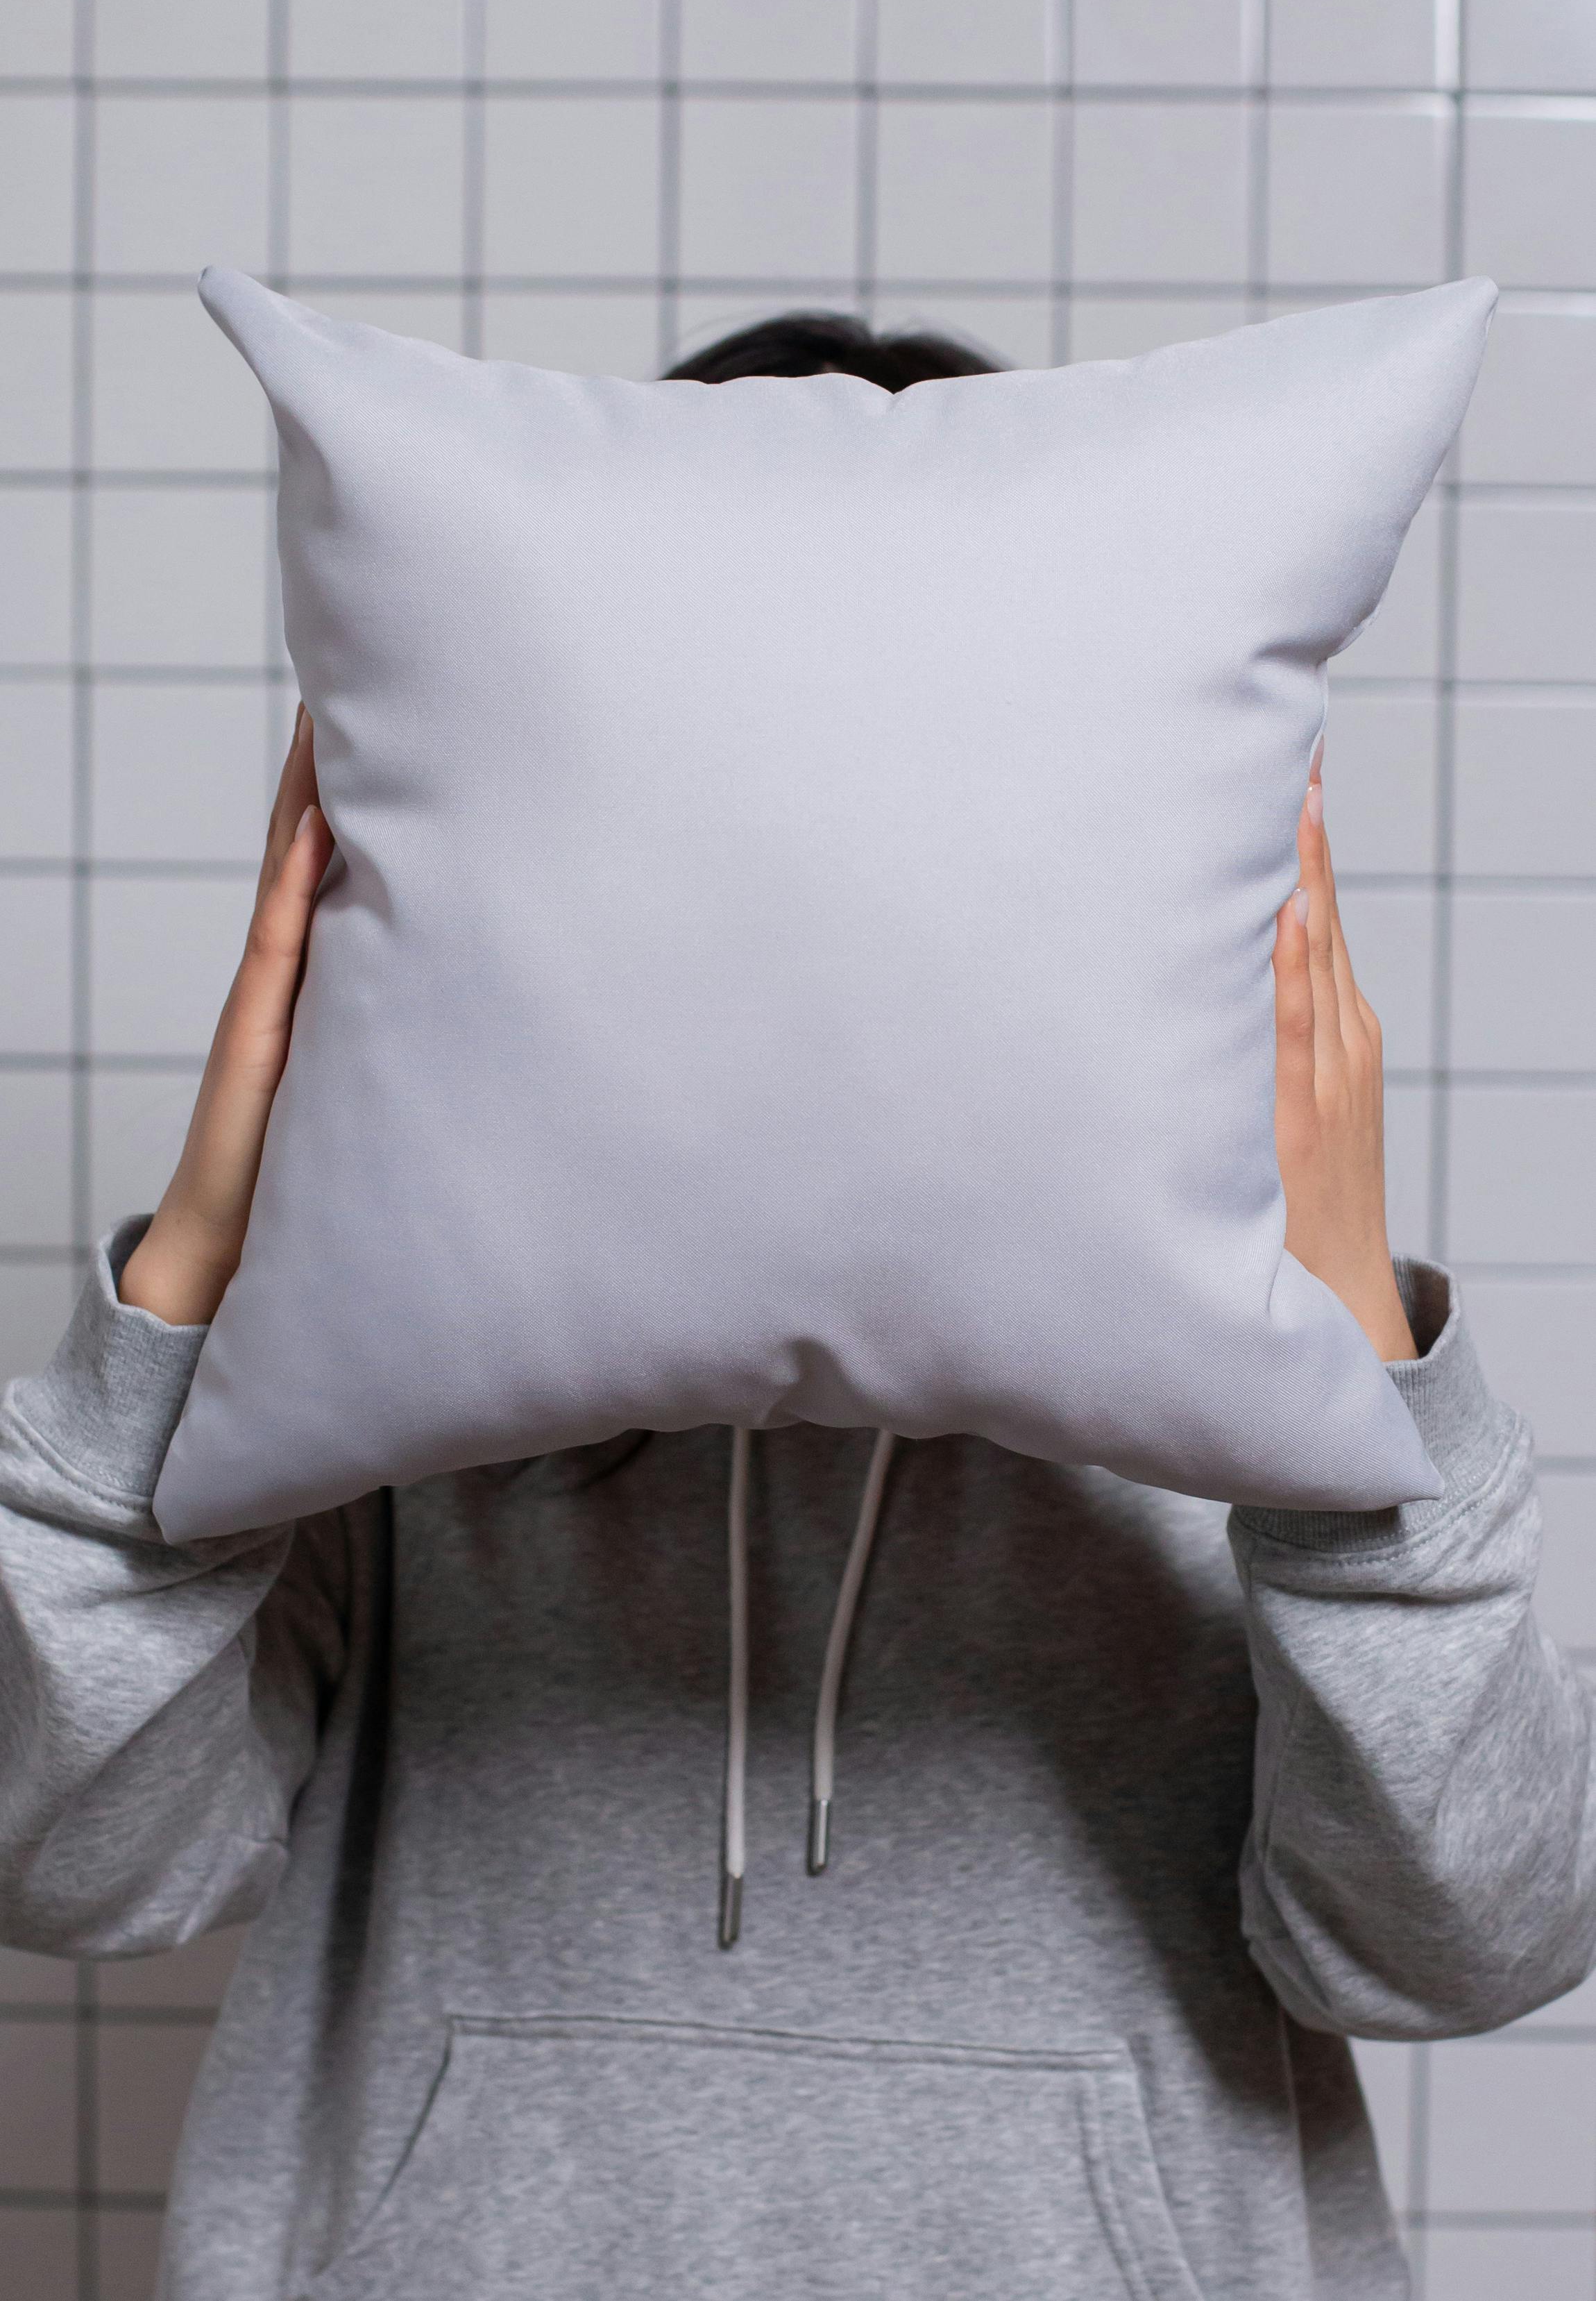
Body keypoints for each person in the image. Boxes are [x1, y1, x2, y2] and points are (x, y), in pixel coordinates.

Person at [0, 314, 1589, 2301]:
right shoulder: (388, 1392)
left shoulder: (1222, 1383)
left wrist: (1362, 1368)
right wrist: (203, 1269)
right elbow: (71, 1861)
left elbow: (1470, 1938)